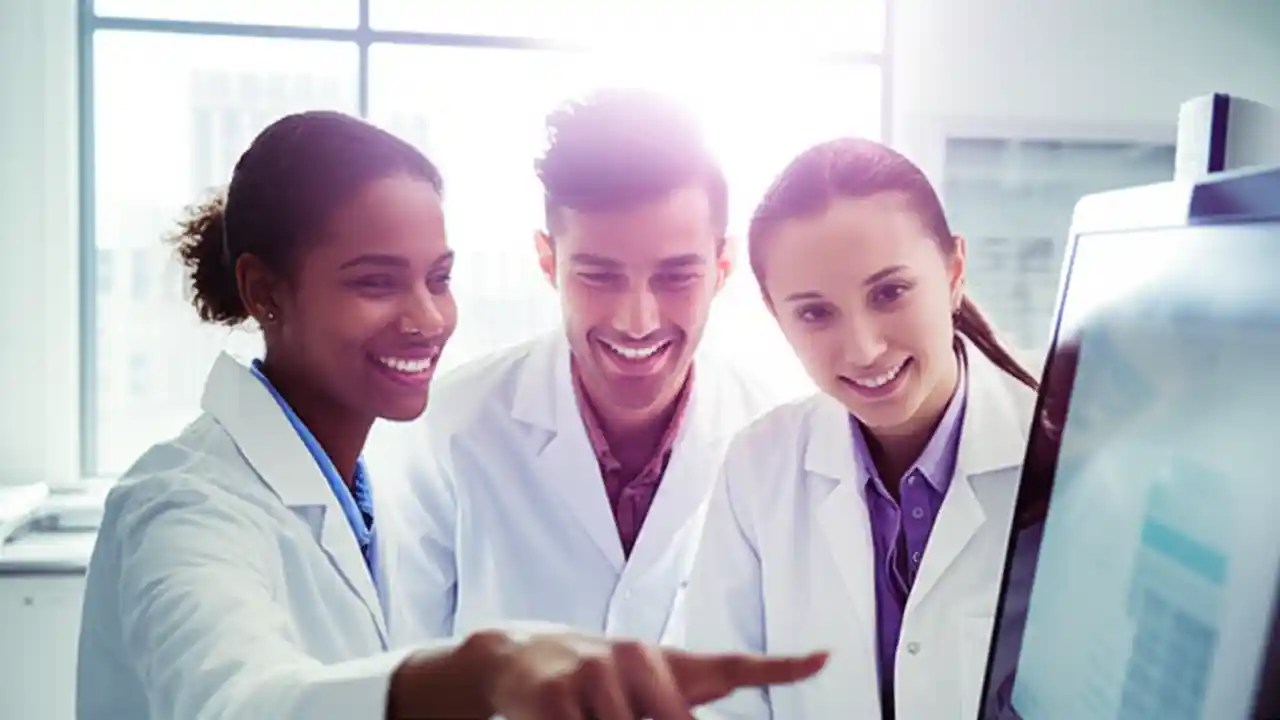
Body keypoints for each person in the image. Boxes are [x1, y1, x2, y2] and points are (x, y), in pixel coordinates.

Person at [74, 110, 827, 720]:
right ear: (265, 292)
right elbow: (236, 701)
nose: (428, 318)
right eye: (375, 282)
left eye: (439, 278)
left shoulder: (350, 486)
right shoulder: (183, 506)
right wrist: (485, 668)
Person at [379, 89, 783, 647]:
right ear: (549, 261)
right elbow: (406, 672)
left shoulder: (775, 444)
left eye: (676, 277)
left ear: (722, 267)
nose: (637, 321)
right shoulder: (448, 432)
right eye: (599, 276)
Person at [682, 137, 1041, 719]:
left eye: (890, 292)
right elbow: (721, 705)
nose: (865, 348)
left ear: (953, 272)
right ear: (778, 317)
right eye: (815, 313)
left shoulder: (1061, 459)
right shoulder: (759, 466)